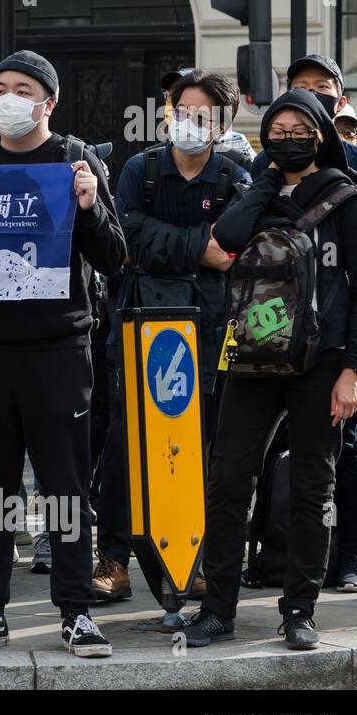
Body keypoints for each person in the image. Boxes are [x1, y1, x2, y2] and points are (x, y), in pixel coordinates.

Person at [0, 51, 124, 658]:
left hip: (57, 353)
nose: (8, 98)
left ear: (49, 102)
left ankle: (75, 610)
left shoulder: (73, 160)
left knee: (65, 488)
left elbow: (116, 259)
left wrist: (90, 208)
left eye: (23, 89)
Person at [185, 89, 357, 649]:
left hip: (322, 366)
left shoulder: (349, 202)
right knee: (227, 482)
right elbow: (224, 239)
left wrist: (353, 372)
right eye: (277, 129)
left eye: (299, 129)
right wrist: (268, 181)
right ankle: (217, 609)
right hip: (251, 357)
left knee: (313, 489)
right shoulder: (258, 193)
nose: (287, 137)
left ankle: (300, 611)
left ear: (319, 135)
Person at [96, 70, 250, 604]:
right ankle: (113, 557)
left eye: (201, 114)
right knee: (125, 442)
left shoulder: (234, 178)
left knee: (195, 444)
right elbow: (129, 241)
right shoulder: (142, 170)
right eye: (179, 111)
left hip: (206, 331)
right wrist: (195, 247)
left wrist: (174, 246)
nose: (187, 122)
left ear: (222, 123)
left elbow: (230, 251)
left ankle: (191, 560)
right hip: (139, 323)